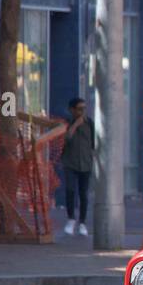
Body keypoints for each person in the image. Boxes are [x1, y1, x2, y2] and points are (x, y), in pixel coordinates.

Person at [61, 97, 95, 237]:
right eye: (79, 109)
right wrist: (75, 125)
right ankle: (71, 219)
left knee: (83, 193)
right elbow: (66, 139)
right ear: (72, 110)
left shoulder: (89, 123)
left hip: (85, 163)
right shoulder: (67, 123)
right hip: (70, 162)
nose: (82, 112)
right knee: (70, 190)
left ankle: (82, 222)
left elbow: (93, 142)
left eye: (84, 109)